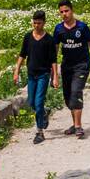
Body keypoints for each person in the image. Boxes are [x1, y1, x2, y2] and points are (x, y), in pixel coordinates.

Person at [54, 0, 90, 139]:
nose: (64, 14)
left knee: (76, 92)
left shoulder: (82, 27)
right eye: (61, 12)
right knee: (68, 98)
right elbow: (55, 49)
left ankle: (78, 127)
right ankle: (74, 124)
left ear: (72, 10)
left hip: (82, 65)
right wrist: (53, 68)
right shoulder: (58, 29)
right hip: (66, 66)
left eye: (66, 11)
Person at [13, 10, 56, 144]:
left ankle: (39, 132)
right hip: (31, 75)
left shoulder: (49, 39)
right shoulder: (28, 37)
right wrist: (16, 71)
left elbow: (53, 60)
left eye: (39, 23)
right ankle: (44, 112)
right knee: (31, 103)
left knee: (38, 102)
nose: (36, 25)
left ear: (44, 23)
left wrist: (55, 77)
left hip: (44, 74)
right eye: (35, 23)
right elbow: (22, 55)